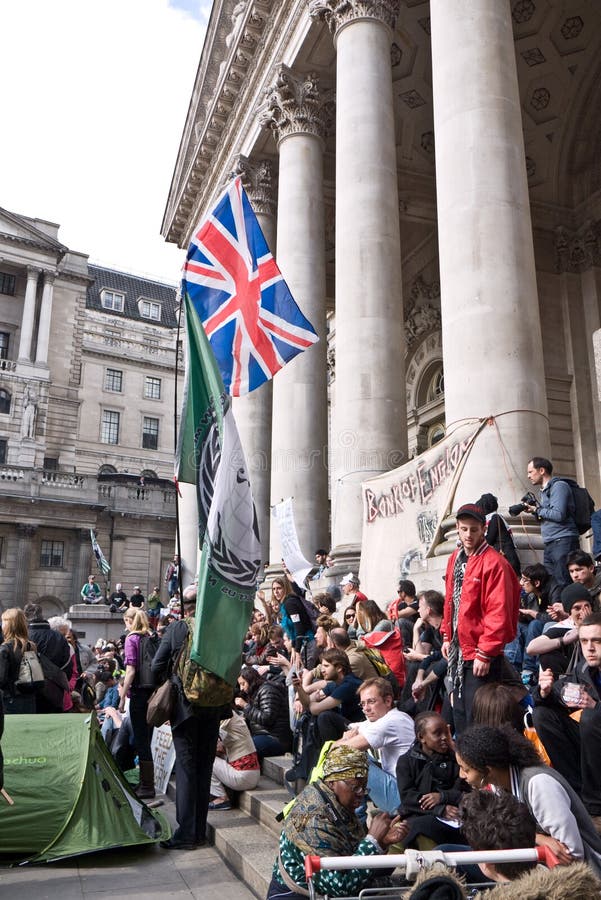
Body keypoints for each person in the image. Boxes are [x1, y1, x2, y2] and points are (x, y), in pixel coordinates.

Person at [455, 724, 601, 873]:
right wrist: (538, 838)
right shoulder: (497, 785)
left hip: (581, 872)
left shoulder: (539, 785)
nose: (461, 775)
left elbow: (571, 854)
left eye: (466, 769)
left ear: (488, 770)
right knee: (448, 853)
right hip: (534, 860)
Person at [266, 745, 408, 900]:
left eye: (364, 787)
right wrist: (372, 841)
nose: (361, 794)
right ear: (332, 781)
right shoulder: (312, 818)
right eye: (355, 787)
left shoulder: (335, 804)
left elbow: (354, 861)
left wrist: (383, 842)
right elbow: (341, 886)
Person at [152, 592, 232, 850]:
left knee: (187, 770)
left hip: (186, 709)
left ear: (185, 609)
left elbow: (156, 665)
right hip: (215, 707)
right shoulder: (219, 629)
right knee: (204, 768)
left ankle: (186, 834)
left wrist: (171, 679)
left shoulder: (178, 628)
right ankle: (198, 831)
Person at [441, 503, 520, 734]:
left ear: (483, 529)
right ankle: (468, 766)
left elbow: (499, 611)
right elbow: (451, 602)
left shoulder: (495, 563)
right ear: (457, 527)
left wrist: (485, 652)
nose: (468, 534)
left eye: (473, 530)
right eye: (464, 529)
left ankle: (481, 767)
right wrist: (447, 635)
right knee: (460, 714)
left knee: (479, 718)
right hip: (459, 650)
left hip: (479, 653)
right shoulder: (455, 557)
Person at [532, 611, 601, 824]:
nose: (589, 648)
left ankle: (595, 806)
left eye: (597, 641)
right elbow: (563, 691)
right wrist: (544, 690)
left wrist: (597, 708)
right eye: (584, 641)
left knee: (590, 718)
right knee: (542, 715)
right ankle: (578, 793)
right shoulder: (584, 669)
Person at [336, 676, 415, 814]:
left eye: (371, 702)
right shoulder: (393, 716)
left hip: (402, 797)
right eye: (363, 704)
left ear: (388, 701)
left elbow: (339, 750)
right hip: (403, 788)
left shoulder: (390, 722)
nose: (366, 709)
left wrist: (344, 740)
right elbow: (356, 728)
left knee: (349, 759)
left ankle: (357, 819)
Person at [396, 711, 469, 847]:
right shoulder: (406, 761)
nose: (444, 738)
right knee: (414, 829)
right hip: (419, 815)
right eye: (437, 733)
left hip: (453, 817)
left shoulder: (455, 759)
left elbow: (463, 791)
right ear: (421, 737)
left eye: (447, 733)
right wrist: (439, 809)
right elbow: (407, 798)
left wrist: (442, 797)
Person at [525, 456, 580, 588]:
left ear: (542, 470)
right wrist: (535, 512)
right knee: (552, 582)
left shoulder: (559, 486)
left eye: (530, 472)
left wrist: (538, 510)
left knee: (564, 581)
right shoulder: (544, 492)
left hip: (563, 540)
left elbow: (558, 514)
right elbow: (548, 516)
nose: (528, 476)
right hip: (551, 542)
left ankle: (569, 608)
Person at [118, 607, 155, 799]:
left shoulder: (132, 639)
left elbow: (130, 671)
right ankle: (146, 782)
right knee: (146, 738)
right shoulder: (149, 637)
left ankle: (147, 785)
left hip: (139, 695)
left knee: (141, 740)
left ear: (129, 620)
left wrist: (123, 696)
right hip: (152, 694)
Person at [235, 665, 291, 760]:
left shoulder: (267, 690)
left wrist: (245, 706)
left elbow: (267, 718)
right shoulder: (255, 692)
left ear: (251, 680)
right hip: (263, 735)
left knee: (244, 748)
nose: (241, 688)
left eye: (243, 684)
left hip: (275, 738)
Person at [24, 602, 72, 713]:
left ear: (26, 617)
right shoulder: (59, 638)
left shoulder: (24, 637)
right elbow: (68, 667)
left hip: (29, 692)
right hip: (54, 692)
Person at [208, 712, 261, 811]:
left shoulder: (226, 717)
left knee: (206, 760)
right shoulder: (233, 717)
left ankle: (222, 799)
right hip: (252, 775)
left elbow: (210, 747)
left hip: (243, 777)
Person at [0, 608, 39, 713]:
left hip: (10, 700)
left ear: (9, 625)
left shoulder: (5, 648)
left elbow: (1, 679)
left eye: (3, 622)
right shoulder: (31, 646)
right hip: (30, 699)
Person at [475, 492, 521, 575]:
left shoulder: (494, 518)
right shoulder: (495, 517)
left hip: (506, 558)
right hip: (508, 557)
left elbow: (489, 540)